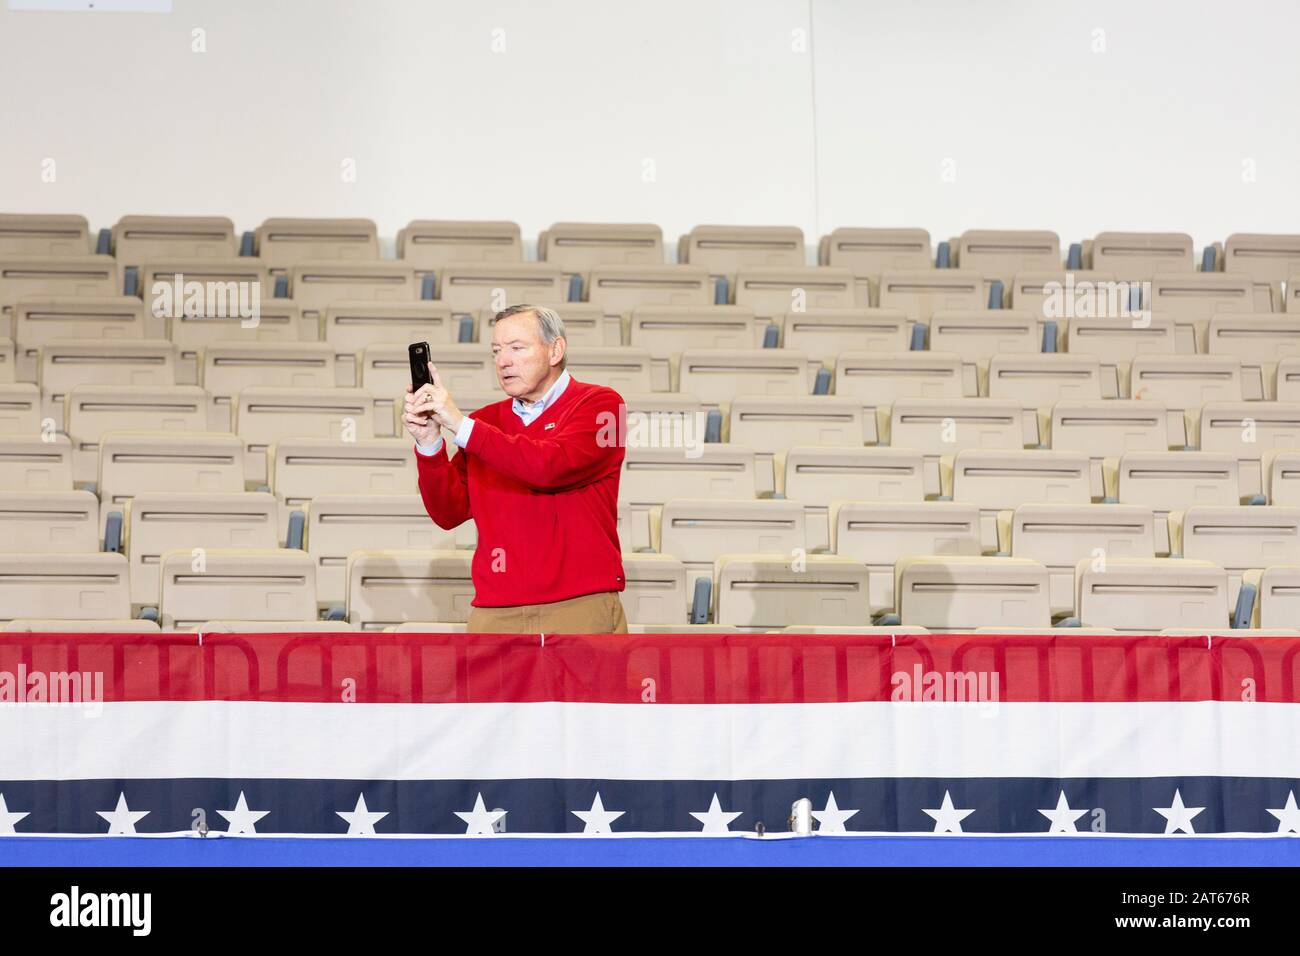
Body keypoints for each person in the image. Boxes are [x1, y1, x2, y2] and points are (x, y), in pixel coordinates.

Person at [403, 304, 628, 633]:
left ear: (555, 350)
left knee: (589, 688)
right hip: (495, 610)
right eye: (496, 351)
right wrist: (429, 443)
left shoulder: (603, 405)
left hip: (579, 605)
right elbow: (448, 512)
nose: (503, 361)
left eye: (516, 348)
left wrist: (460, 425)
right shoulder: (484, 423)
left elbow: (549, 466)